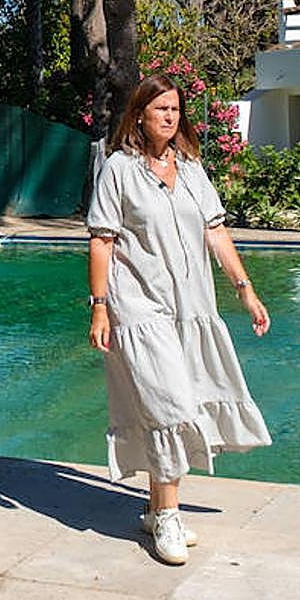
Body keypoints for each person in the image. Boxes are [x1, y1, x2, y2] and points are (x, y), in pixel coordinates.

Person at [86, 74, 272, 565]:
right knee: (169, 403)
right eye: (160, 109)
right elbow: (102, 239)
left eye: (175, 108)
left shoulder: (190, 168)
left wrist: (246, 290)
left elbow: (216, 231)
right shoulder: (118, 169)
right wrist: (99, 305)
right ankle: (169, 516)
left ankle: (154, 509)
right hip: (137, 305)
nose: (170, 116)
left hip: (190, 306)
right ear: (139, 116)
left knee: (165, 403)